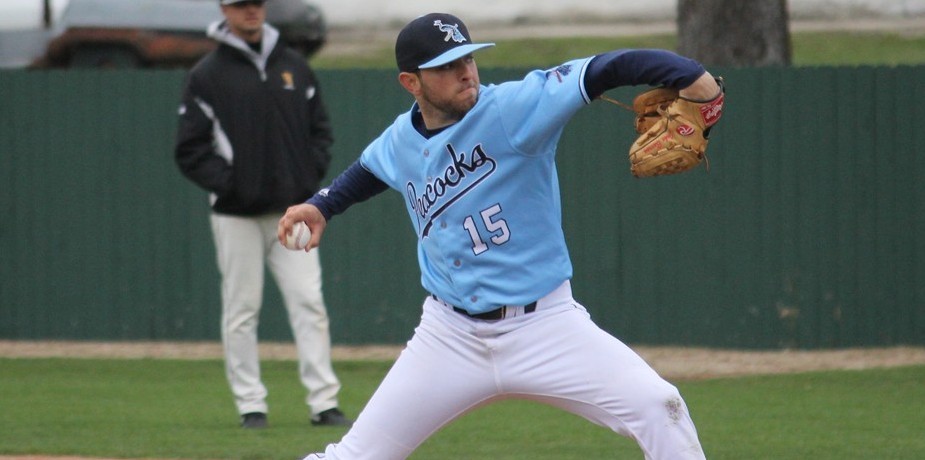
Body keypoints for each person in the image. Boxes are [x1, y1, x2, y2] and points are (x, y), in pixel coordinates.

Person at [278, 12, 723, 459]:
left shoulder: (514, 107)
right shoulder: (401, 137)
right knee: (353, 455)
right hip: (448, 336)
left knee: (659, 406)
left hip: (546, 326)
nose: (465, 72)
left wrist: (692, 77)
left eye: (467, 58)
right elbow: (370, 171)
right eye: (446, 66)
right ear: (411, 83)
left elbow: (605, 68)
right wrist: (321, 205)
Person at [174, 0, 352, 429]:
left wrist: (304, 179)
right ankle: (251, 405)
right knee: (242, 309)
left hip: (293, 212)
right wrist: (236, 185)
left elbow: (320, 132)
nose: (250, 11)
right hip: (236, 215)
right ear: (224, 9)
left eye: (256, 3)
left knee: (309, 303)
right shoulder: (206, 75)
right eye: (240, 5)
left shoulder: (295, 65)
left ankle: (323, 403)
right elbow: (190, 150)